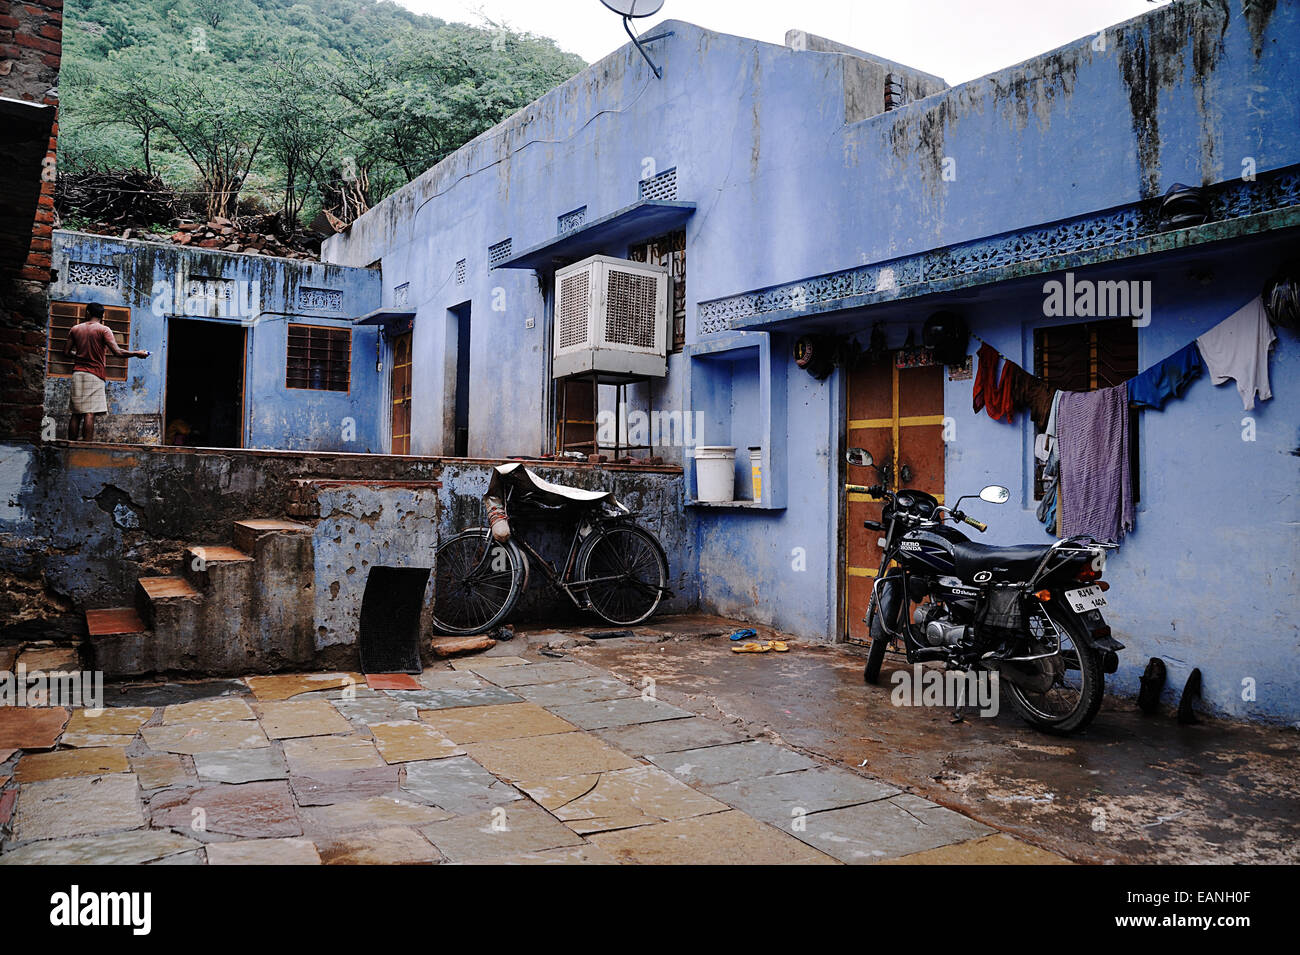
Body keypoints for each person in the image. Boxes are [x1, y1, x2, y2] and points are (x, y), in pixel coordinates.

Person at [63, 303, 148, 441]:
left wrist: (79, 356)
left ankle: (70, 445)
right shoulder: (104, 330)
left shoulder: (75, 329)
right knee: (89, 413)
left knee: (76, 413)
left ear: (88, 313)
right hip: (95, 375)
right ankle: (87, 447)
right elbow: (118, 352)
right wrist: (137, 353)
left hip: (78, 373)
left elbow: (66, 352)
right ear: (102, 315)